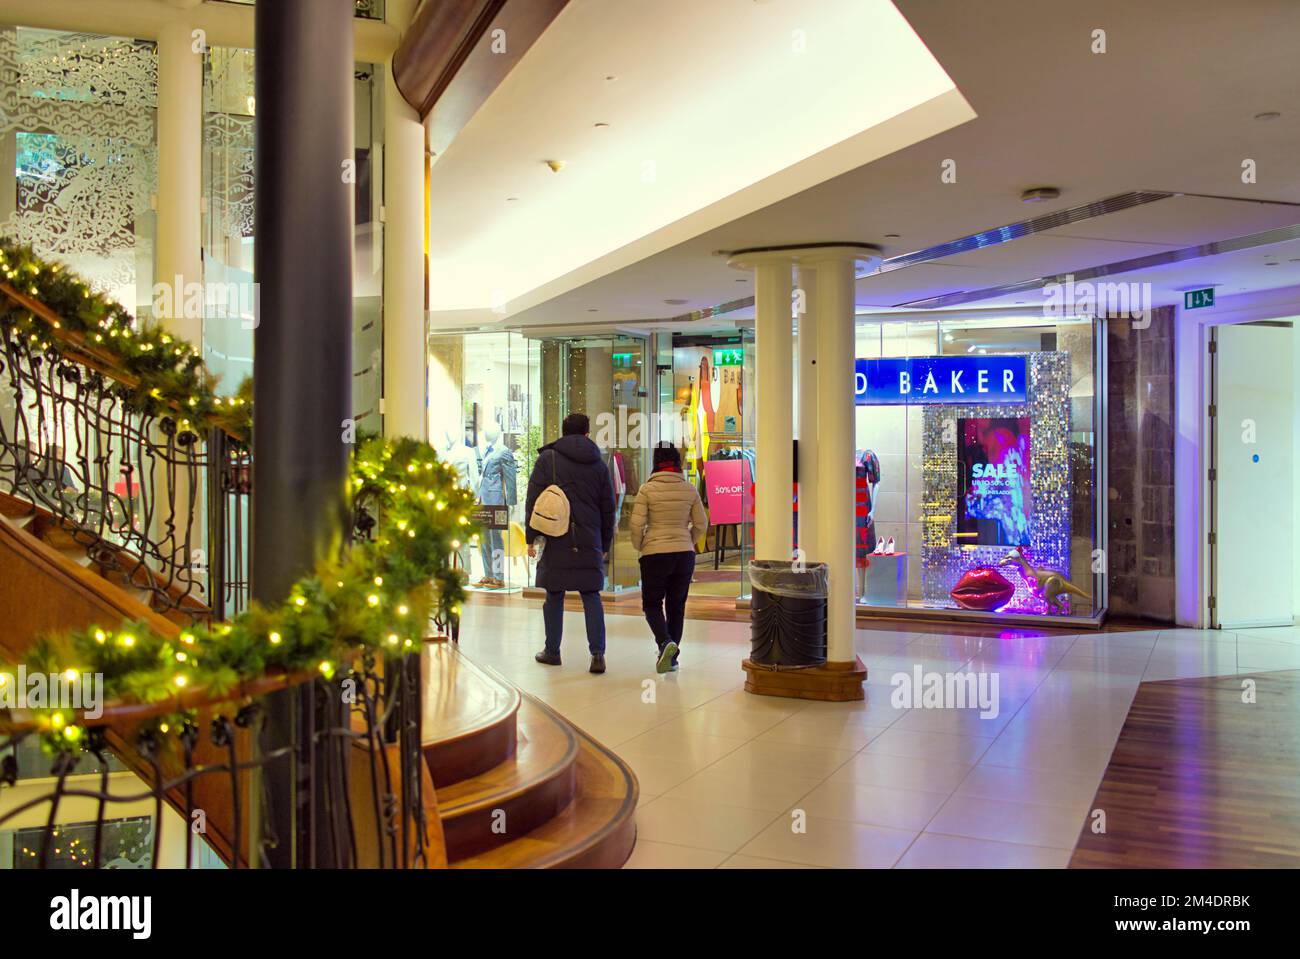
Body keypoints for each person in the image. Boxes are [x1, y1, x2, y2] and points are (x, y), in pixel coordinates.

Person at [524, 413, 616, 673]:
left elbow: (534, 501)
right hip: (589, 539)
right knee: (591, 596)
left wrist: (531, 537)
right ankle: (597, 655)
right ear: (587, 434)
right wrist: (605, 542)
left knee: (554, 594)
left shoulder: (548, 459)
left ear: (562, 433)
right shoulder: (598, 464)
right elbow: (608, 508)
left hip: (556, 537)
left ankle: (552, 651)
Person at [629, 443, 708, 673]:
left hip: (655, 554)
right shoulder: (689, 489)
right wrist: (688, 540)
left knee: (652, 604)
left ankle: (665, 643)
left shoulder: (646, 490)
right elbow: (701, 524)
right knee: (677, 607)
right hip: (684, 555)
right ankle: (671, 659)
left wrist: (641, 545)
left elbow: (636, 525)